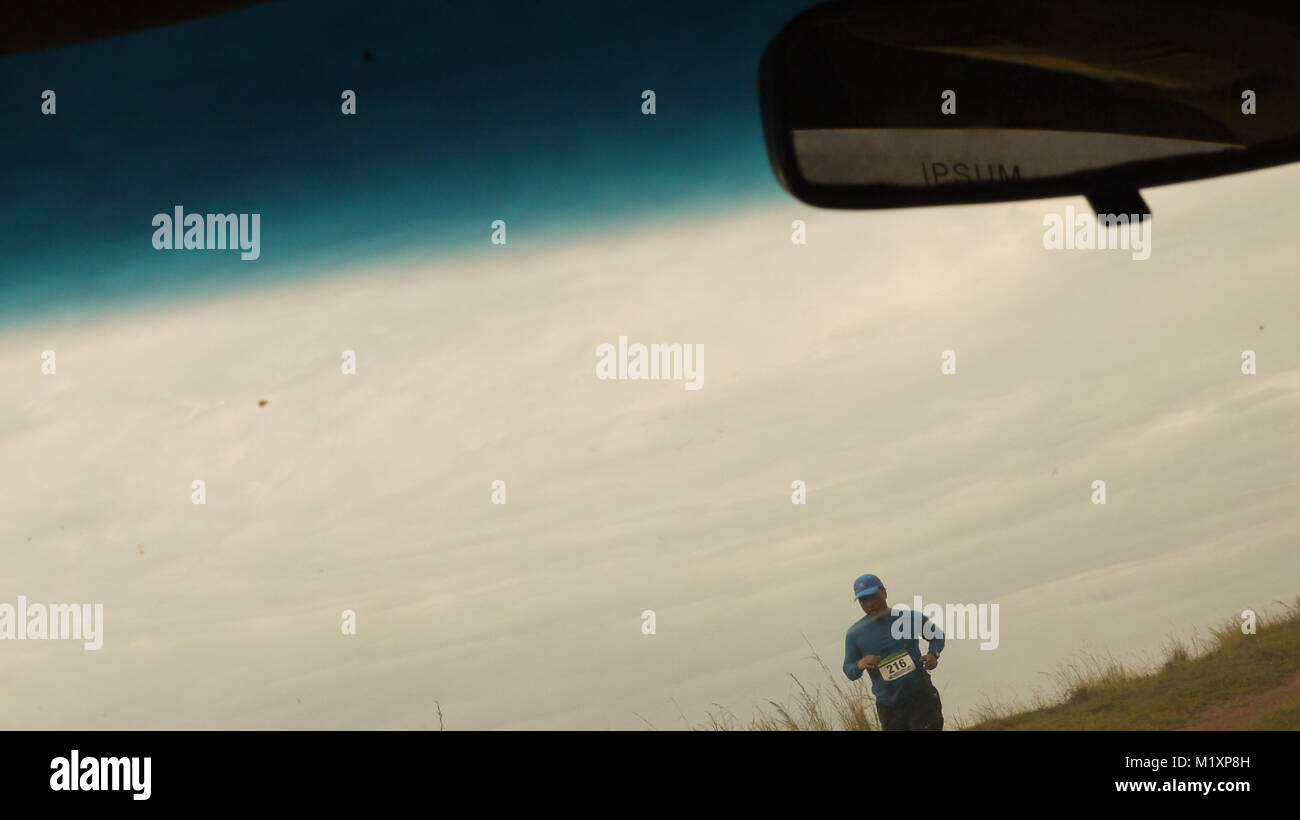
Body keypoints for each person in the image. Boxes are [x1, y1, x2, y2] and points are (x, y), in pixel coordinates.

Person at [842, 573, 945, 730]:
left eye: (873, 597)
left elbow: (937, 636)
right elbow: (849, 670)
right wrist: (860, 664)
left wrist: (933, 654)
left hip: (921, 696)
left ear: (884, 592)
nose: (869, 605)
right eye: (863, 601)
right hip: (889, 707)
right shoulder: (855, 635)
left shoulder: (910, 618)